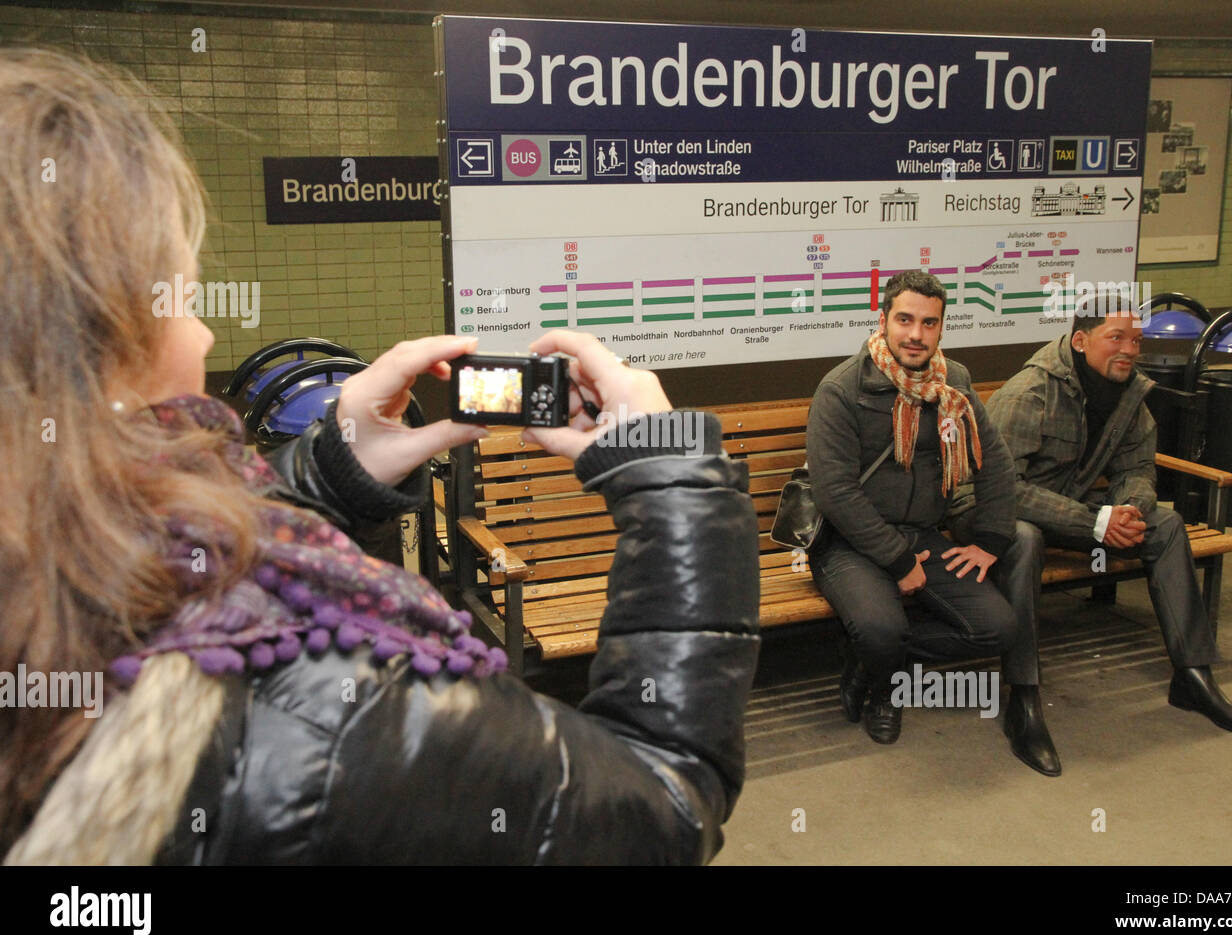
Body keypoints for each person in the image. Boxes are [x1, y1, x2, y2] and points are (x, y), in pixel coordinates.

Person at [0, 47, 761, 865]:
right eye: (180, 301)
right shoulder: (329, 707)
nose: (208, 332)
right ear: (96, 347)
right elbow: (664, 806)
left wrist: (332, 472)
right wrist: (676, 480)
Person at [986, 296, 1232, 762]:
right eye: (1115, 338)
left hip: (1082, 512)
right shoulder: (1029, 393)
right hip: (1013, 516)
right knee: (1025, 539)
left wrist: (1128, 512)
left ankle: (1193, 676)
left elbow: (1138, 468)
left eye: (1136, 340)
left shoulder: (1130, 393)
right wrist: (1096, 521)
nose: (1129, 349)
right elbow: (1002, 491)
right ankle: (1024, 700)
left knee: (1167, 524)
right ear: (1080, 341)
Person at [806, 270, 1055, 772]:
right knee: (880, 628)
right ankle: (884, 692)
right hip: (847, 542)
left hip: (920, 535)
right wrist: (897, 561)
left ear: (941, 329)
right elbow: (835, 492)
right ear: (883, 321)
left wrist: (990, 538)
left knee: (997, 628)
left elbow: (997, 463)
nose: (915, 334)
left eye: (928, 323)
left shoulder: (953, 383)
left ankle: (869, 661)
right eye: (904, 320)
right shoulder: (842, 389)